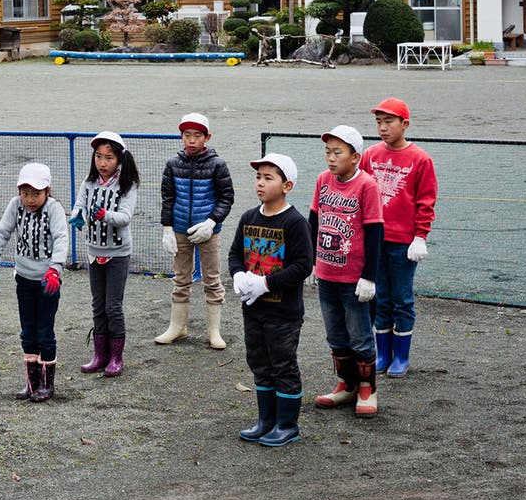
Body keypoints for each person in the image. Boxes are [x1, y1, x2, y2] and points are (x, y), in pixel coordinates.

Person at [229, 153, 312, 447]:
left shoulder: (295, 222)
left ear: (286, 185)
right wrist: (239, 275)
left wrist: (266, 283)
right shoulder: (249, 217)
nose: (260, 183)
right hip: (253, 308)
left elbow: (303, 266)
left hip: (284, 311)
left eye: (268, 178)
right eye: (258, 177)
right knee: (258, 361)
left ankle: (287, 424)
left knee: (283, 363)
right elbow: (235, 254)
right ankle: (266, 420)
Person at [310, 125, 384, 416]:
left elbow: (375, 232)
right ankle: (346, 384)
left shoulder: (367, 186)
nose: (330, 158)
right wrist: (310, 261)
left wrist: (369, 276)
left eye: (337, 152)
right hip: (327, 274)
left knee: (360, 334)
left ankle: (367, 388)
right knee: (336, 334)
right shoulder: (322, 181)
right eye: (327, 152)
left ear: (355, 157)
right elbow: (314, 220)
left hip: (354, 279)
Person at [361, 97, 438, 377]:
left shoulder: (420, 159)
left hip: (403, 243)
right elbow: (363, 195)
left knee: (402, 297)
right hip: (375, 238)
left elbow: (425, 201)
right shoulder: (370, 155)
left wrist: (420, 236)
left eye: (389, 122)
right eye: (379, 122)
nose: (383, 128)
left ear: (404, 124)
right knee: (379, 296)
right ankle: (383, 353)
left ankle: (401, 357)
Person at [0, 162, 69, 402]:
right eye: (25, 193)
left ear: (47, 191)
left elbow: (61, 239)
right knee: (27, 332)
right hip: (24, 278)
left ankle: (47, 384)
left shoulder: (53, 209)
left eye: (36, 193)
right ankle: (32, 383)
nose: (30, 199)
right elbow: (2, 231)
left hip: (47, 281)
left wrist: (55, 269)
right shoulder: (15, 206)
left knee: (45, 331)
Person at [154, 112, 235, 350]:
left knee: (212, 278)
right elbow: (168, 198)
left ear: (206, 137)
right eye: (187, 135)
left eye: (197, 135)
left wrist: (211, 222)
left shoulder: (217, 165)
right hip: (180, 229)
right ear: (181, 136)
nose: (191, 140)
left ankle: (214, 330)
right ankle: (177, 327)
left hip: (207, 231)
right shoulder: (172, 164)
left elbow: (226, 198)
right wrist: (167, 228)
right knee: (181, 278)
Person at [70, 131, 140, 378]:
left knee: (113, 306)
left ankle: (116, 357)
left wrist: (104, 216)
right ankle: (99, 355)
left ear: (119, 159)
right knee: (98, 305)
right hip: (94, 250)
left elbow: (125, 217)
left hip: (118, 253)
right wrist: (76, 216)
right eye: (98, 156)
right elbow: (79, 205)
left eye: (108, 158)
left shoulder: (127, 185)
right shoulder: (88, 183)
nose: (102, 162)